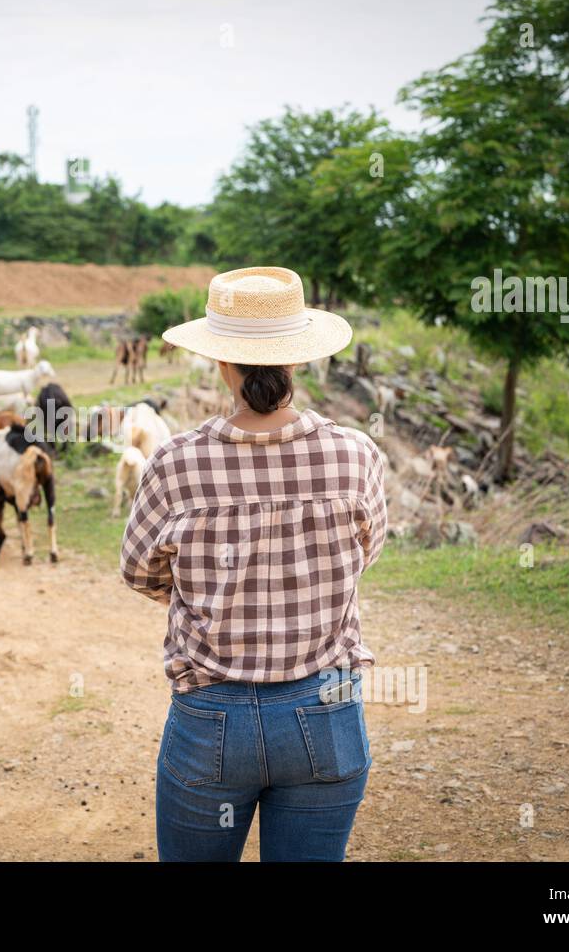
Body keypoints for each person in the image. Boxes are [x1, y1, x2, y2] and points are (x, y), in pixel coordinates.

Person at [120, 266, 388, 862]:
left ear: (221, 363)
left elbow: (140, 572)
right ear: (297, 360)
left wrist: (213, 594)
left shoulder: (174, 463)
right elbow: (364, 553)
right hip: (326, 714)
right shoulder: (356, 454)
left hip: (212, 721)